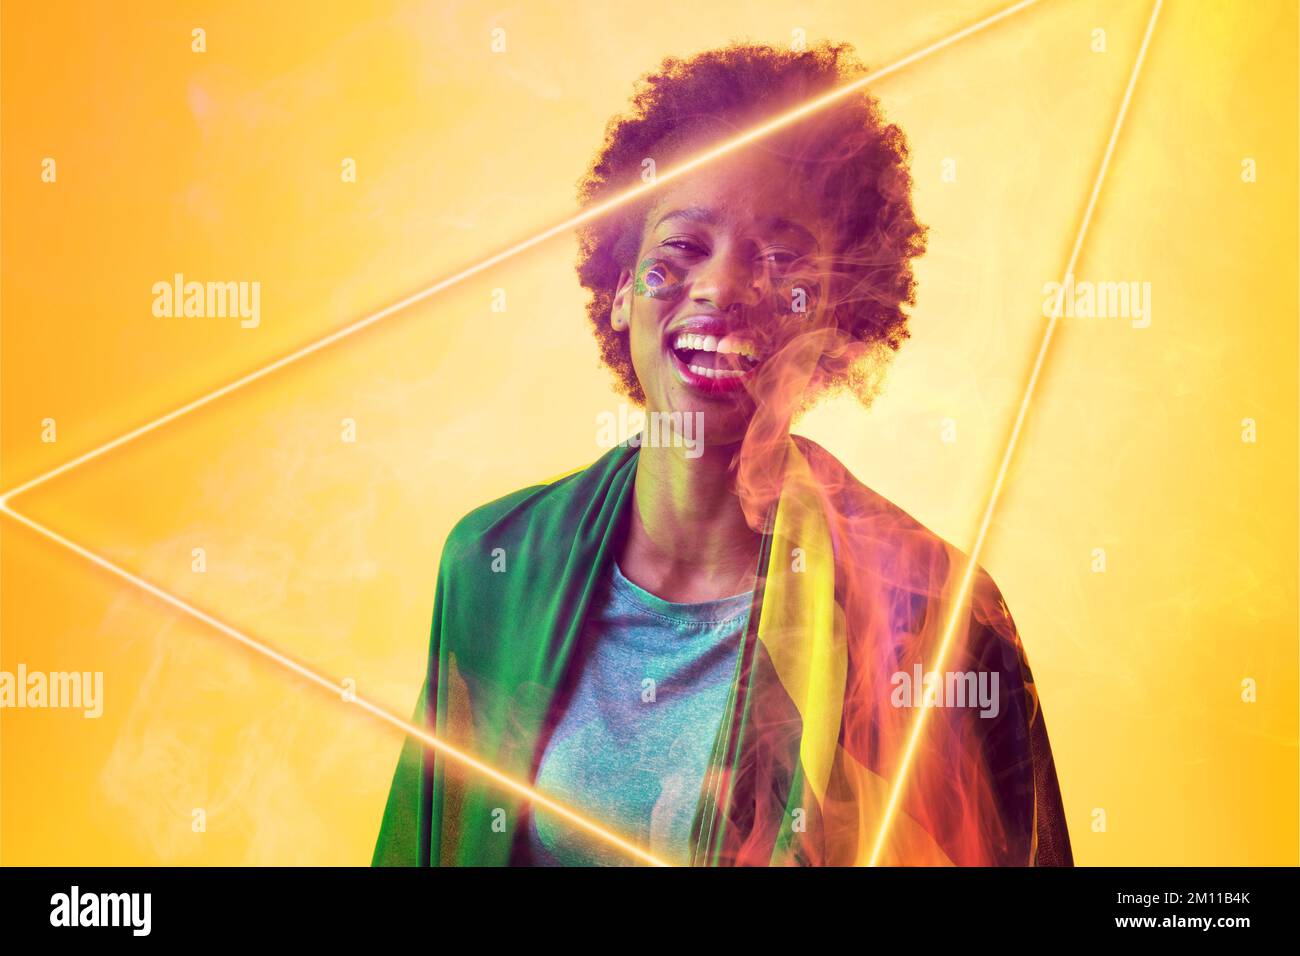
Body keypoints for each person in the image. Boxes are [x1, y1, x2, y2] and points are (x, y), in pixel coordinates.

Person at [373, 40, 1072, 867]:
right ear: (620, 288)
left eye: (781, 262)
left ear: (840, 316)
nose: (722, 290)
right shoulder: (497, 566)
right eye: (680, 252)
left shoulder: (933, 616)